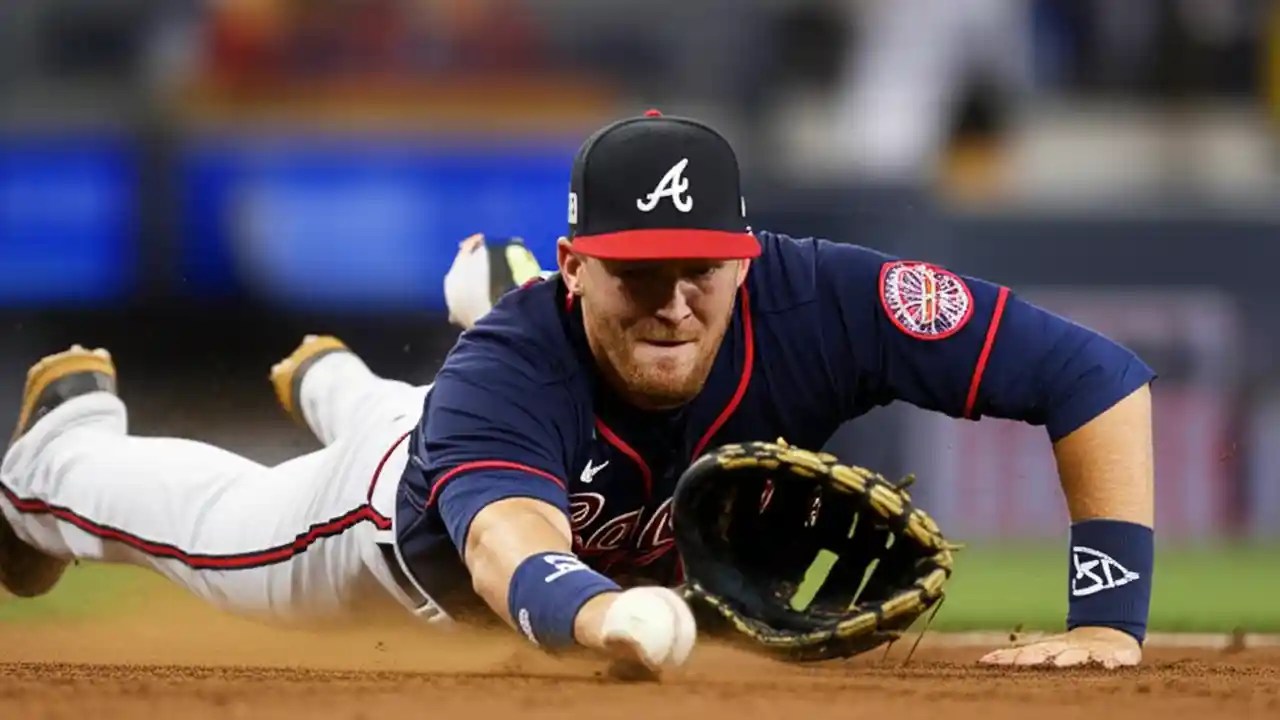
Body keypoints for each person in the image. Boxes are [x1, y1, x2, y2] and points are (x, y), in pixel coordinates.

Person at [0, 110, 1154, 673]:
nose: (672, 301)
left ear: (743, 256)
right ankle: (60, 451)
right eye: (637, 273)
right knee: (220, 532)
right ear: (577, 265)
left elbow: (1091, 378)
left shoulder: (824, 303)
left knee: (457, 408)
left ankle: (340, 377)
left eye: (696, 269)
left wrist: (1107, 615)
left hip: (512, 439)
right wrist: (612, 617)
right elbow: (508, 551)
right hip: (390, 540)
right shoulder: (515, 369)